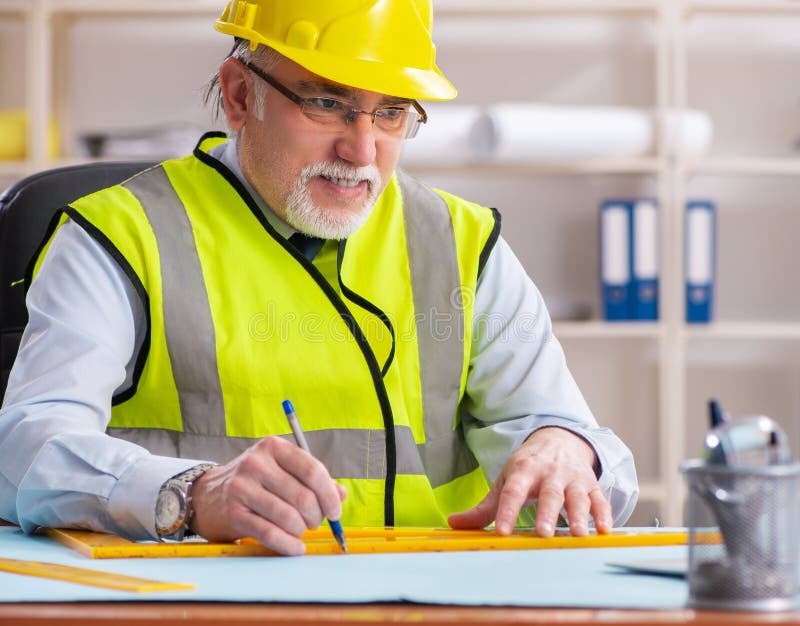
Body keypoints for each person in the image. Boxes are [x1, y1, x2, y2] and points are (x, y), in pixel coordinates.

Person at [0, 0, 637, 556]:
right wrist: (191, 494)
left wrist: (566, 447)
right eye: (328, 103)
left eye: (390, 113)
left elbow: (586, 452)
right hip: (205, 604)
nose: (362, 151)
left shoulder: (463, 243)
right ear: (240, 95)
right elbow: (25, 450)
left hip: (437, 599)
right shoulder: (121, 235)